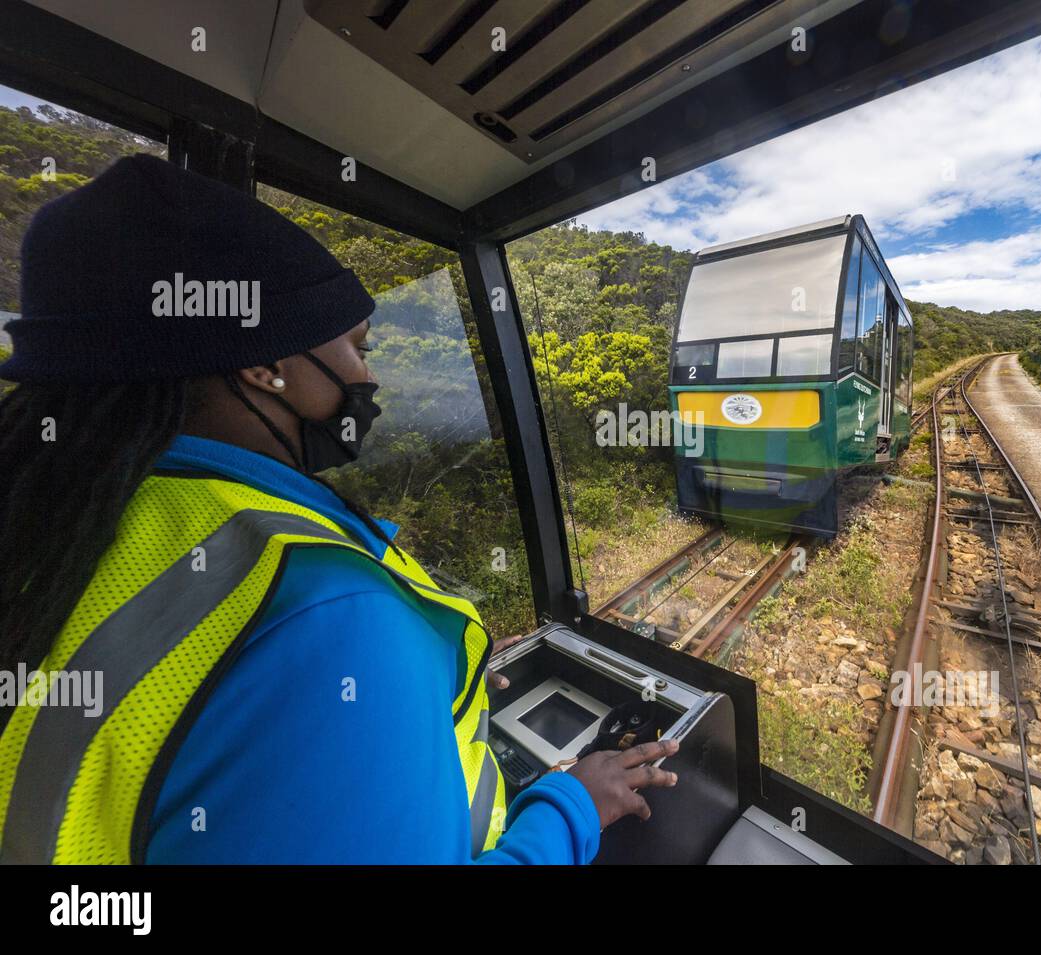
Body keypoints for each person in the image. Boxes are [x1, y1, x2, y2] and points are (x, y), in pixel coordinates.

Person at [0, 154, 677, 864]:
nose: (370, 374)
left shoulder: (63, 517)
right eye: (357, 347)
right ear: (265, 364)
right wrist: (572, 805)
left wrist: (425, 684)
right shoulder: (326, 615)